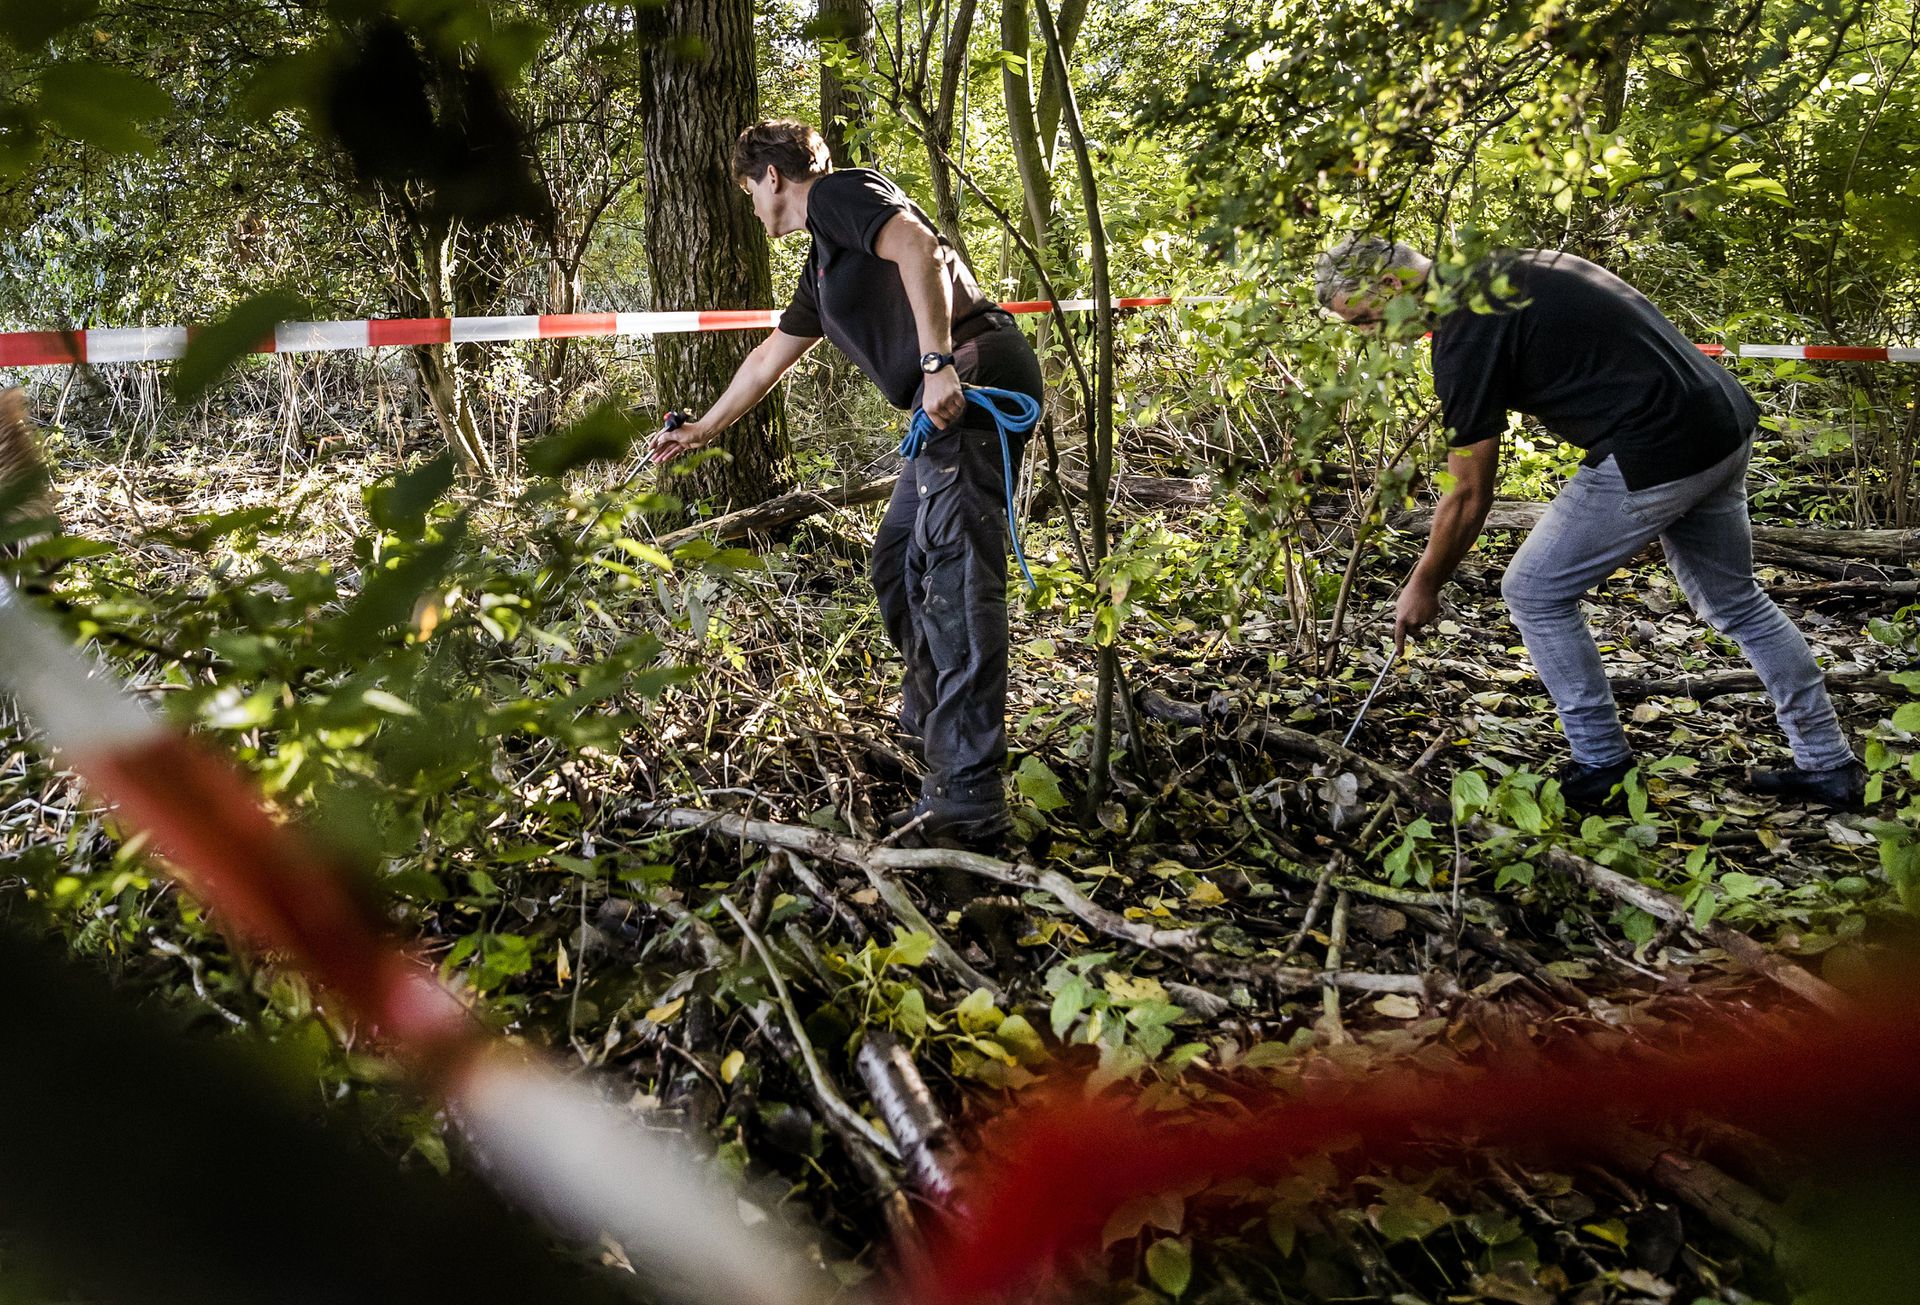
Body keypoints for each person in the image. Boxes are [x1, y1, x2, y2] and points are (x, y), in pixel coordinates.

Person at [1316, 236, 1863, 812]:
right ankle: (1828, 764)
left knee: (1533, 590)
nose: (1369, 335)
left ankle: (1602, 765)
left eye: (1364, 320)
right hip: (1721, 418)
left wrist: (1425, 582)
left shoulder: (1466, 329)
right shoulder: (1506, 263)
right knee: (1738, 601)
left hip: (1656, 445)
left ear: (1393, 286)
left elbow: (1469, 491)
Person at [647, 120, 1044, 847]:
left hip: (973, 376)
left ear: (770, 177)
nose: (752, 206)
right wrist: (701, 428)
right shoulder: (822, 266)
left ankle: (968, 801)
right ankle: (937, 729)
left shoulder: (841, 194)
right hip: (949, 396)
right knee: (896, 561)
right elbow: (770, 356)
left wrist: (935, 365)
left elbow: (921, 248)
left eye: (748, 190)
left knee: (955, 576)